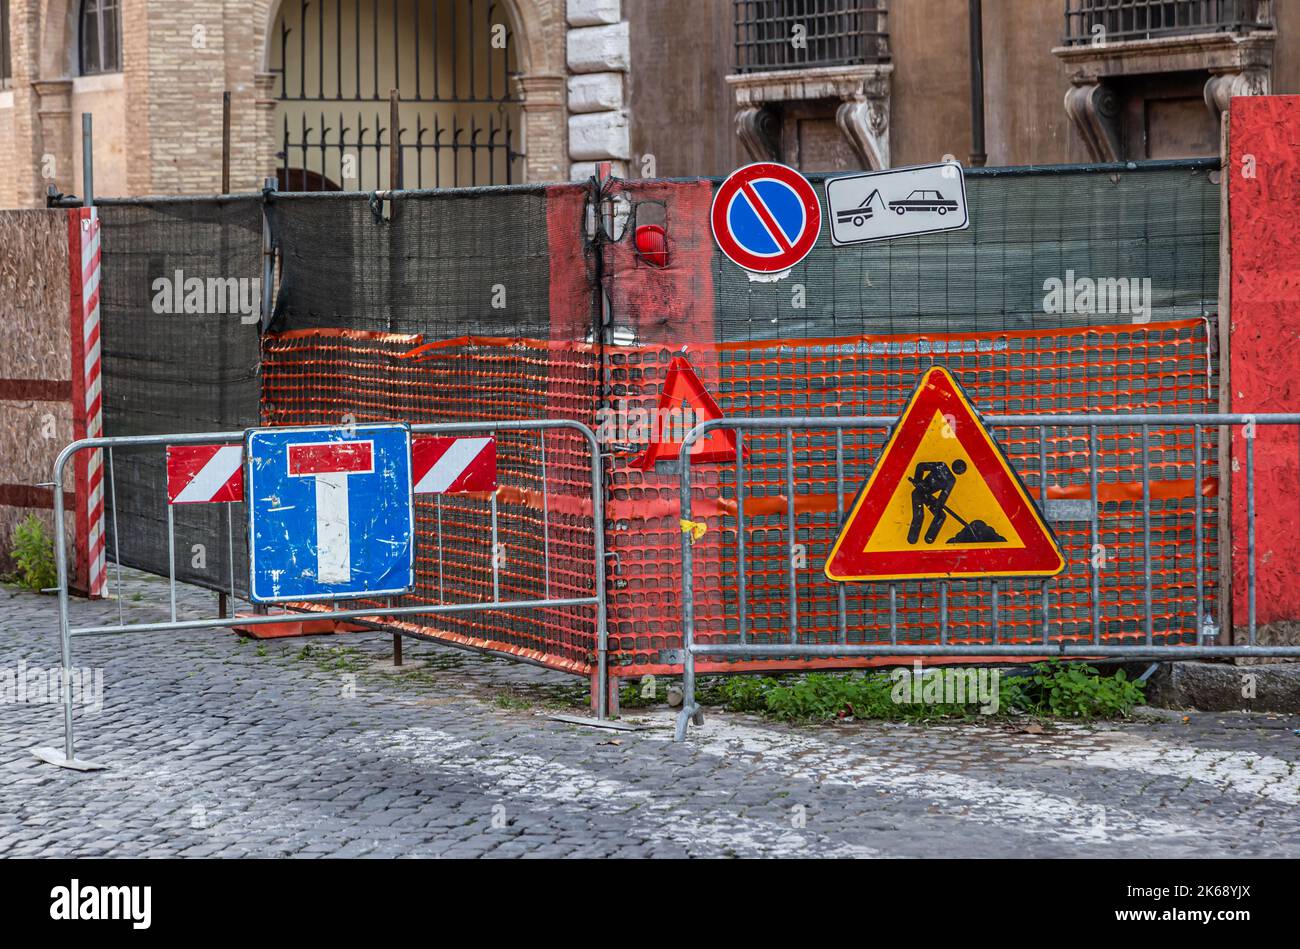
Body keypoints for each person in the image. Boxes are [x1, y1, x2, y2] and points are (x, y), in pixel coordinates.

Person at [907, 459, 967, 545]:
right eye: (959, 467)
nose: (959, 469)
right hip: (918, 493)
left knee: (941, 516)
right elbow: (920, 466)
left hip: (928, 496)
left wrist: (938, 506)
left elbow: (943, 496)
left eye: (961, 469)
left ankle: (929, 538)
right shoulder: (940, 466)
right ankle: (912, 539)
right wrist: (918, 480)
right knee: (919, 515)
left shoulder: (951, 480)